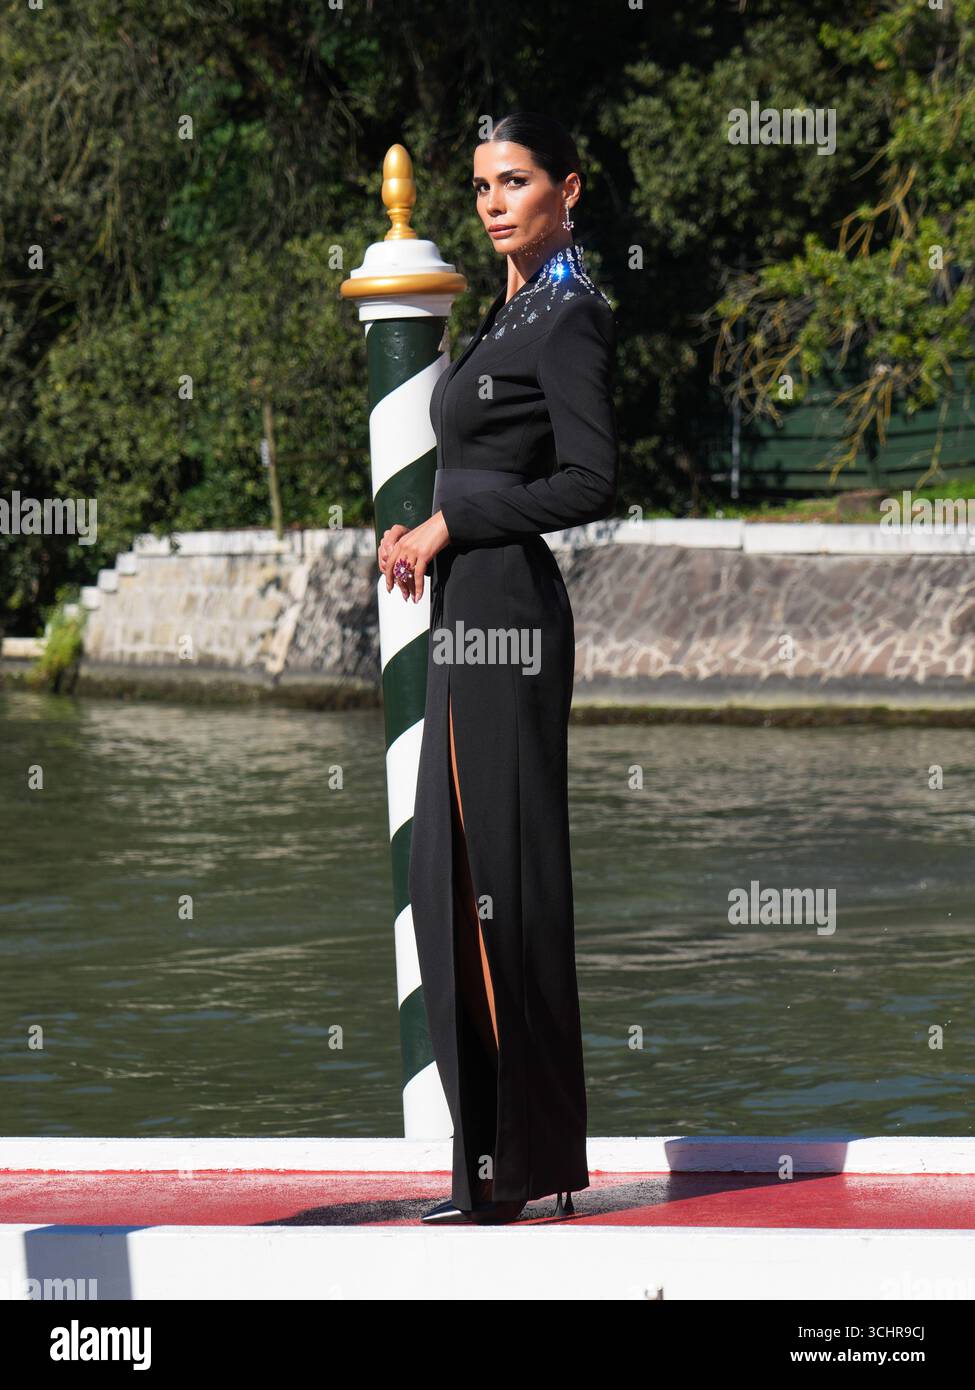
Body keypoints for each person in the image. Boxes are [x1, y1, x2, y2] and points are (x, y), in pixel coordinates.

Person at [379, 111, 619, 1225]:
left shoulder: (570, 317)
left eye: (513, 181)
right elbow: (475, 469)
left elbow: (590, 481)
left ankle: (526, 1168)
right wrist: (429, 528)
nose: (490, 202)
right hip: (464, 617)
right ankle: (487, 1165)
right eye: (480, 184)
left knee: (506, 892)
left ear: (563, 190)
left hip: (512, 618)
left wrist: (455, 527)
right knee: (447, 886)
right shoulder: (505, 315)